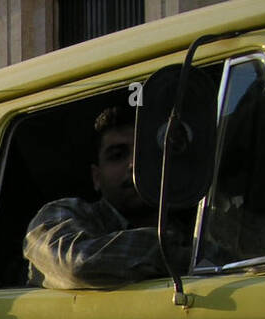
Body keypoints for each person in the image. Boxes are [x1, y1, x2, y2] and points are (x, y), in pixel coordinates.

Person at [23, 106, 190, 289]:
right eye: (117, 155)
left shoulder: (194, 227)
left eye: (145, 155)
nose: (134, 165)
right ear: (97, 177)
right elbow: (77, 262)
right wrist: (178, 254)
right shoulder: (63, 214)